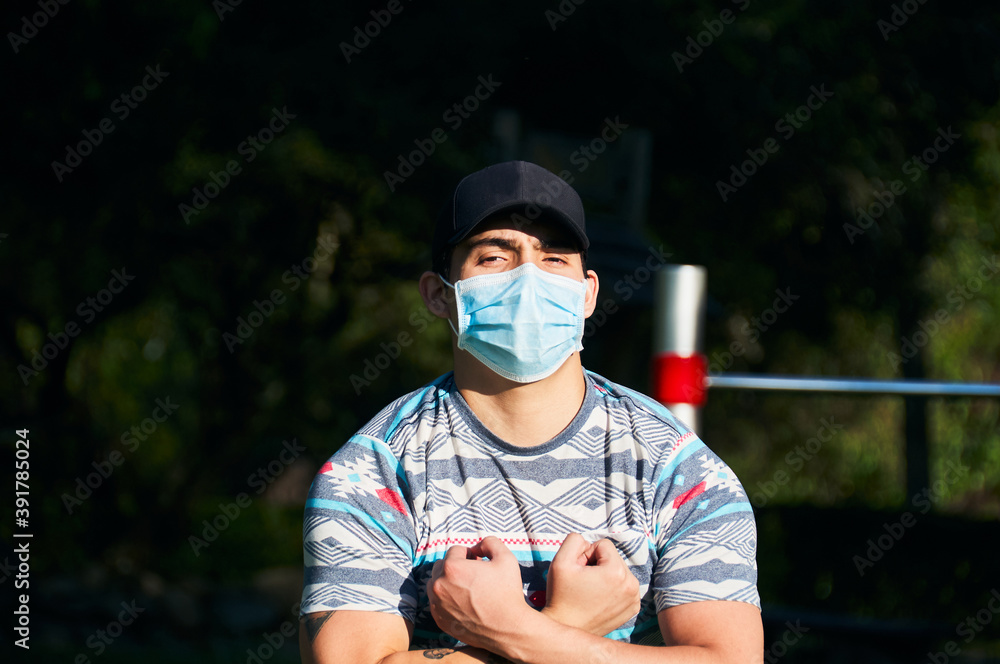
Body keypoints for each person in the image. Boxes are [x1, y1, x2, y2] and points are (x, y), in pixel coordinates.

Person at [299, 161, 763, 663]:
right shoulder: (372, 473)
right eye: (495, 256)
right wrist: (569, 624)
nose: (529, 278)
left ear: (587, 294)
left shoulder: (676, 467)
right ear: (439, 294)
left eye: (554, 258)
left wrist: (516, 631)